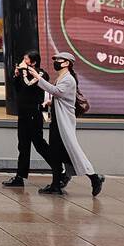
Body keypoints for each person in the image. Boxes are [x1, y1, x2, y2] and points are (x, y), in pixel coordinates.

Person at [26, 51, 105, 196]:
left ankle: (94, 177)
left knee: (71, 153)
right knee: (56, 155)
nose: (56, 62)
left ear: (67, 63)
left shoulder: (68, 79)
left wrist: (38, 78)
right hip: (57, 121)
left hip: (63, 123)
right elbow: (60, 96)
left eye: (59, 60)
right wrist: (51, 102)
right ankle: (56, 185)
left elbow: (57, 91)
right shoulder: (62, 77)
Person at [2, 50, 52, 188]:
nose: (23, 62)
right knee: (23, 146)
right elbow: (19, 89)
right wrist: (17, 75)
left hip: (33, 114)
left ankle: (59, 169)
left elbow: (29, 84)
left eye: (26, 60)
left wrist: (24, 71)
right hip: (23, 114)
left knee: (39, 145)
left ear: (34, 62)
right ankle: (20, 176)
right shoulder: (24, 73)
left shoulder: (41, 74)